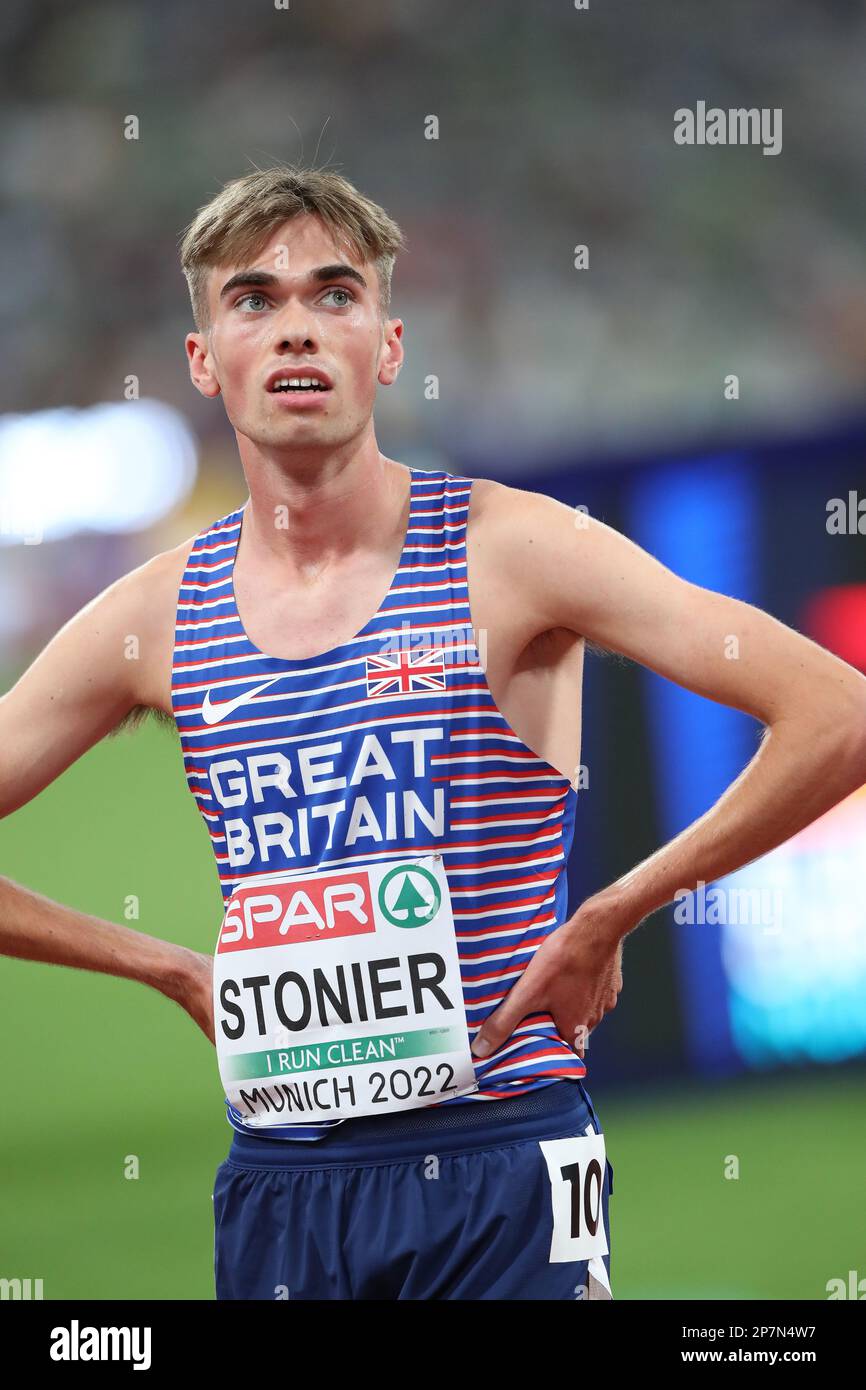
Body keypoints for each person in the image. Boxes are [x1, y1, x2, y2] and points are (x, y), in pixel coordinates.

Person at [2, 165, 865, 1301]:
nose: (296, 328)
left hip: (501, 1155)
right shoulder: (152, 615)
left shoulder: (515, 550)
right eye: (254, 299)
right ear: (204, 359)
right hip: (281, 1180)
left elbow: (834, 712)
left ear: (389, 343)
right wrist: (162, 965)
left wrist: (611, 912)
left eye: (335, 293)